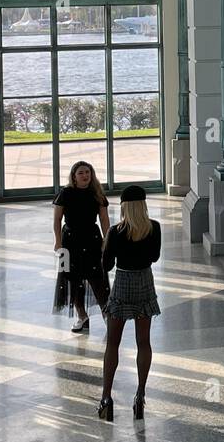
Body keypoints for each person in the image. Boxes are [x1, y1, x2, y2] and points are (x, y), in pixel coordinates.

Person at [98, 185, 162, 423]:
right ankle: (140, 395)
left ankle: (106, 399)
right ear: (143, 205)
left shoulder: (115, 231)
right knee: (143, 342)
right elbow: (155, 257)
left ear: (124, 206)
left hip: (123, 283)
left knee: (112, 343)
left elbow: (107, 266)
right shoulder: (154, 227)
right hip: (145, 282)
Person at [53, 161, 110, 333]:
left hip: (92, 238)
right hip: (70, 240)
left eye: (87, 172)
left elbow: (104, 220)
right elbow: (57, 220)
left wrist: (107, 241)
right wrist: (58, 242)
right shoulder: (66, 193)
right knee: (72, 279)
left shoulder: (97, 193)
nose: (85, 175)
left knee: (97, 278)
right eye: (81, 173)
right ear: (74, 176)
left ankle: (107, 315)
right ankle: (82, 316)